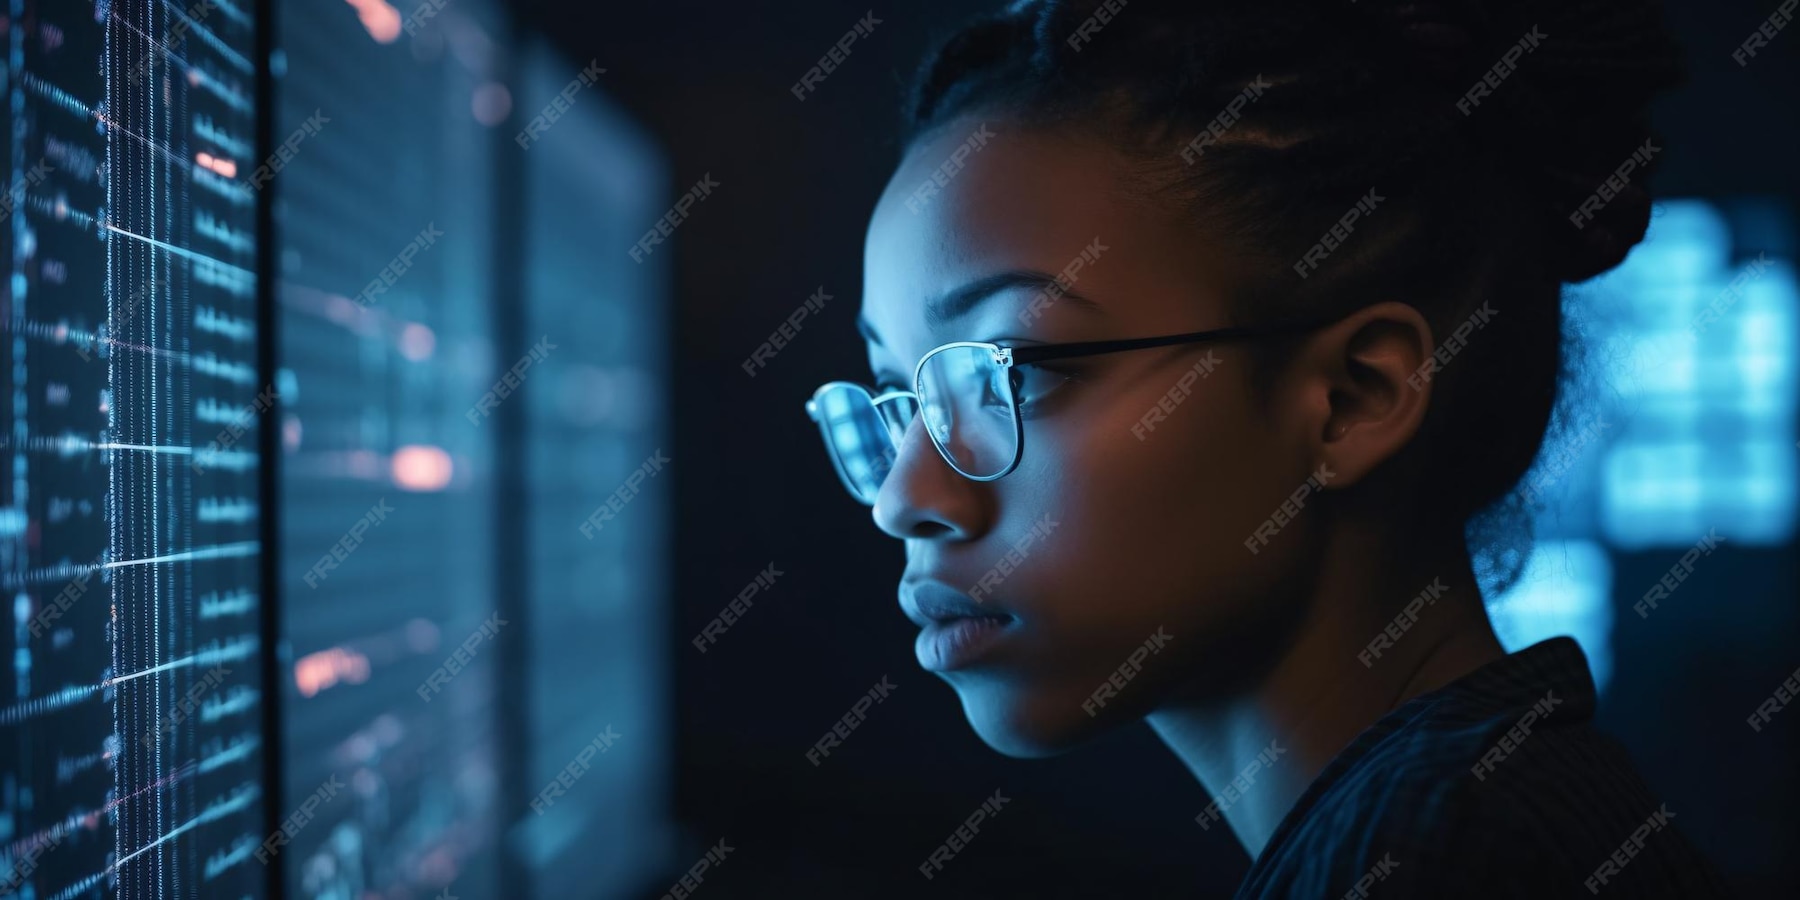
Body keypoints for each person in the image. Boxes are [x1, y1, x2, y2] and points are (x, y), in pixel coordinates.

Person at [802, 0, 1732, 896]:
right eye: (896, 393)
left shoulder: (1442, 852)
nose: (904, 496)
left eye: (1014, 369)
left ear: (1353, 397)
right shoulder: (1473, 808)